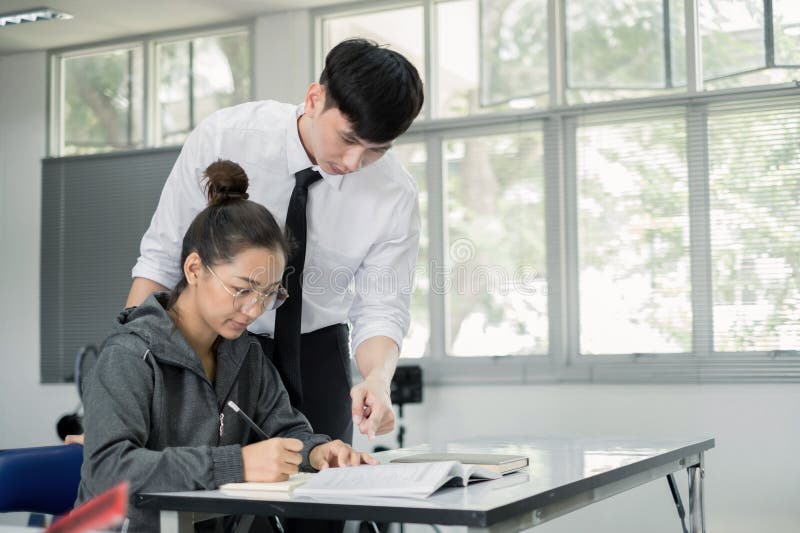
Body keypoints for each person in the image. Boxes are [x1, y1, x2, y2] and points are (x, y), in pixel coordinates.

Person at [126, 38, 424, 451]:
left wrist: (376, 379)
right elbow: (161, 262)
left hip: (317, 352)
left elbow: (381, 308)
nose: (354, 163)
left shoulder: (394, 193)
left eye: (376, 150)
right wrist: (121, 395)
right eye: (349, 138)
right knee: (210, 494)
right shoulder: (225, 138)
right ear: (314, 98)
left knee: (323, 491)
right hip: (212, 344)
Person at [76, 160, 377, 533]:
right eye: (242, 289)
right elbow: (109, 472)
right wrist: (238, 465)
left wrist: (318, 452)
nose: (253, 310)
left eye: (268, 294)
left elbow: (284, 430)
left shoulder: (244, 354)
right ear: (194, 269)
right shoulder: (129, 355)